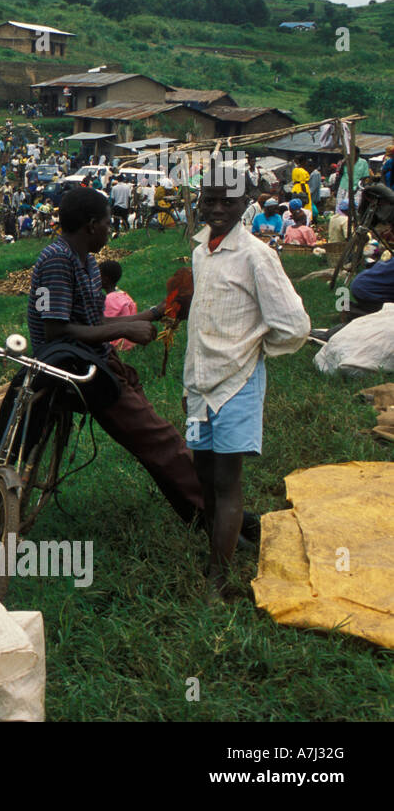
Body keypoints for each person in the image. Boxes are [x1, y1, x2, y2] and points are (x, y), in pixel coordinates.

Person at [27, 186, 211, 534]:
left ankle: (199, 511)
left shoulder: (87, 264)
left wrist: (154, 314)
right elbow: (57, 332)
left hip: (95, 359)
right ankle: (215, 513)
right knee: (160, 440)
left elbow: (94, 323)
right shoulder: (56, 260)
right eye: (108, 223)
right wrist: (124, 331)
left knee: (155, 434)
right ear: (91, 225)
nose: (111, 229)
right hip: (72, 370)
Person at [184, 183, 310, 602]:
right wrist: (190, 381)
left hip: (237, 382)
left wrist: (253, 349)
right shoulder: (202, 252)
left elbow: (294, 325)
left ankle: (217, 581)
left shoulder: (258, 255)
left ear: (245, 205)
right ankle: (218, 550)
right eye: (210, 201)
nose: (218, 209)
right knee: (202, 475)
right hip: (200, 383)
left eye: (228, 201)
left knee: (225, 480)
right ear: (200, 204)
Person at [99, 260, 138, 351]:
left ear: (105, 279)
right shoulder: (123, 295)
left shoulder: (109, 300)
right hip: (131, 340)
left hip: (120, 344)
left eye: (98, 275)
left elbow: (103, 325)